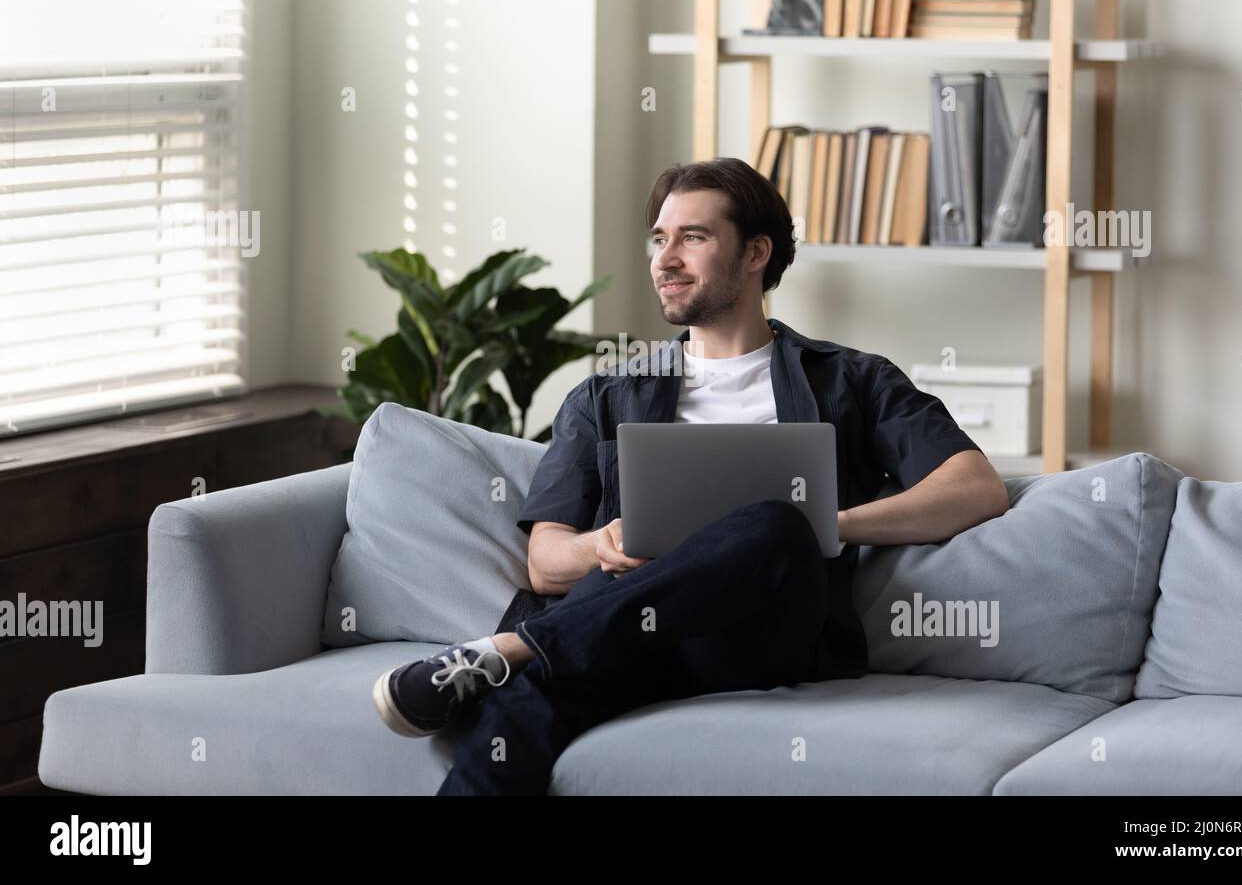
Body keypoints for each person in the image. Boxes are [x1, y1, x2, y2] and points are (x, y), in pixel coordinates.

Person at [370, 157, 1011, 794]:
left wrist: (827, 525)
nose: (665, 259)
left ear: (756, 252)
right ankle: (533, 658)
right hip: (622, 637)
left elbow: (975, 488)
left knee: (776, 521)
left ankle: (515, 648)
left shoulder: (852, 379)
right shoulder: (607, 397)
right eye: (659, 239)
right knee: (523, 714)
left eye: (692, 238)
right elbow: (546, 563)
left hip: (758, 635)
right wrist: (602, 546)